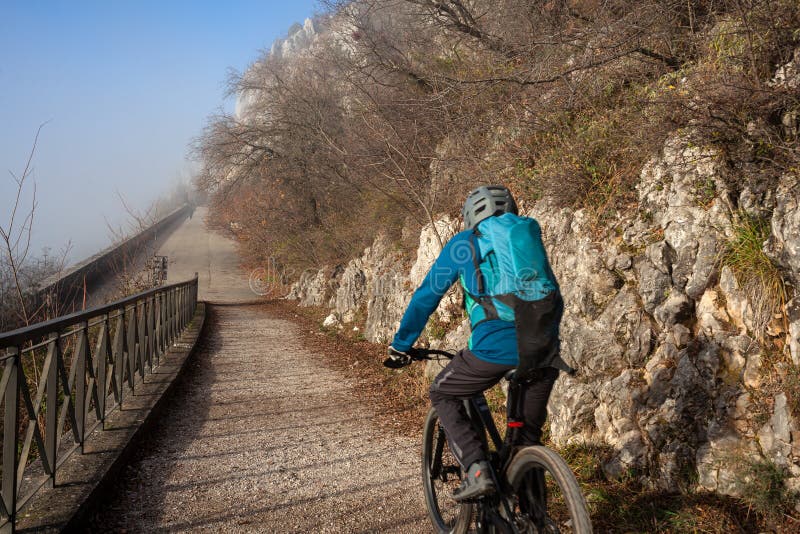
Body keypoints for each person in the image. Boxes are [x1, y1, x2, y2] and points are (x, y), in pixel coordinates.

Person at [386, 185, 568, 502]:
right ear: (511, 208)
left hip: (494, 348)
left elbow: (427, 296)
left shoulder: (463, 245)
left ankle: (476, 470)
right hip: (543, 348)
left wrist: (402, 344)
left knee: (442, 391)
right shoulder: (526, 236)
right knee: (526, 440)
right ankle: (534, 513)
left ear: (470, 216)